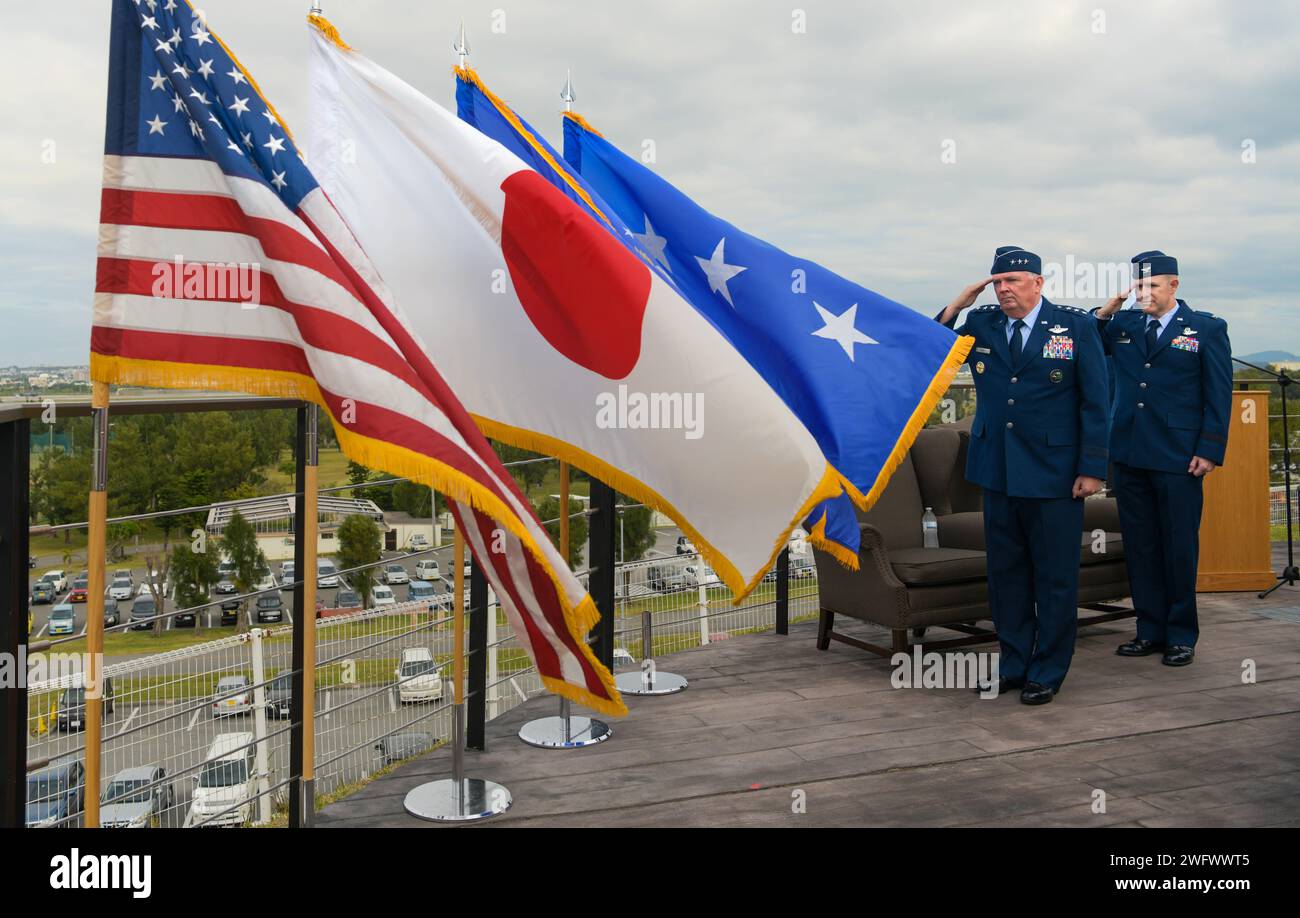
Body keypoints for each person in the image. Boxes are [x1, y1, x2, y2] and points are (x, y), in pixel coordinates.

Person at [937, 246, 1109, 704]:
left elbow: (1096, 401)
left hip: (1055, 473)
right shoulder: (982, 324)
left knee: (1054, 577)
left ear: (1038, 282)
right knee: (1006, 575)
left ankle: (1048, 670)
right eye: (997, 282)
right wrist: (957, 307)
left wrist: (1092, 468)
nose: (1004, 289)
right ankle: (1013, 665)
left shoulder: (1075, 327)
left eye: (1013, 279)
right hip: (998, 470)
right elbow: (931, 351)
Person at [1092, 251, 1232, 666]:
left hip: (1178, 455)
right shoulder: (1124, 324)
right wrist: (1105, 312)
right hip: (1130, 452)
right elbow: (1088, 337)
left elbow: (1218, 394)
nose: (1144, 294)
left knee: (1178, 546)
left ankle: (1181, 635)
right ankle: (1148, 630)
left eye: (1152, 286)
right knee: (1141, 545)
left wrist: (1208, 450)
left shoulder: (1206, 328)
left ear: (1174, 286)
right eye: (1138, 286)